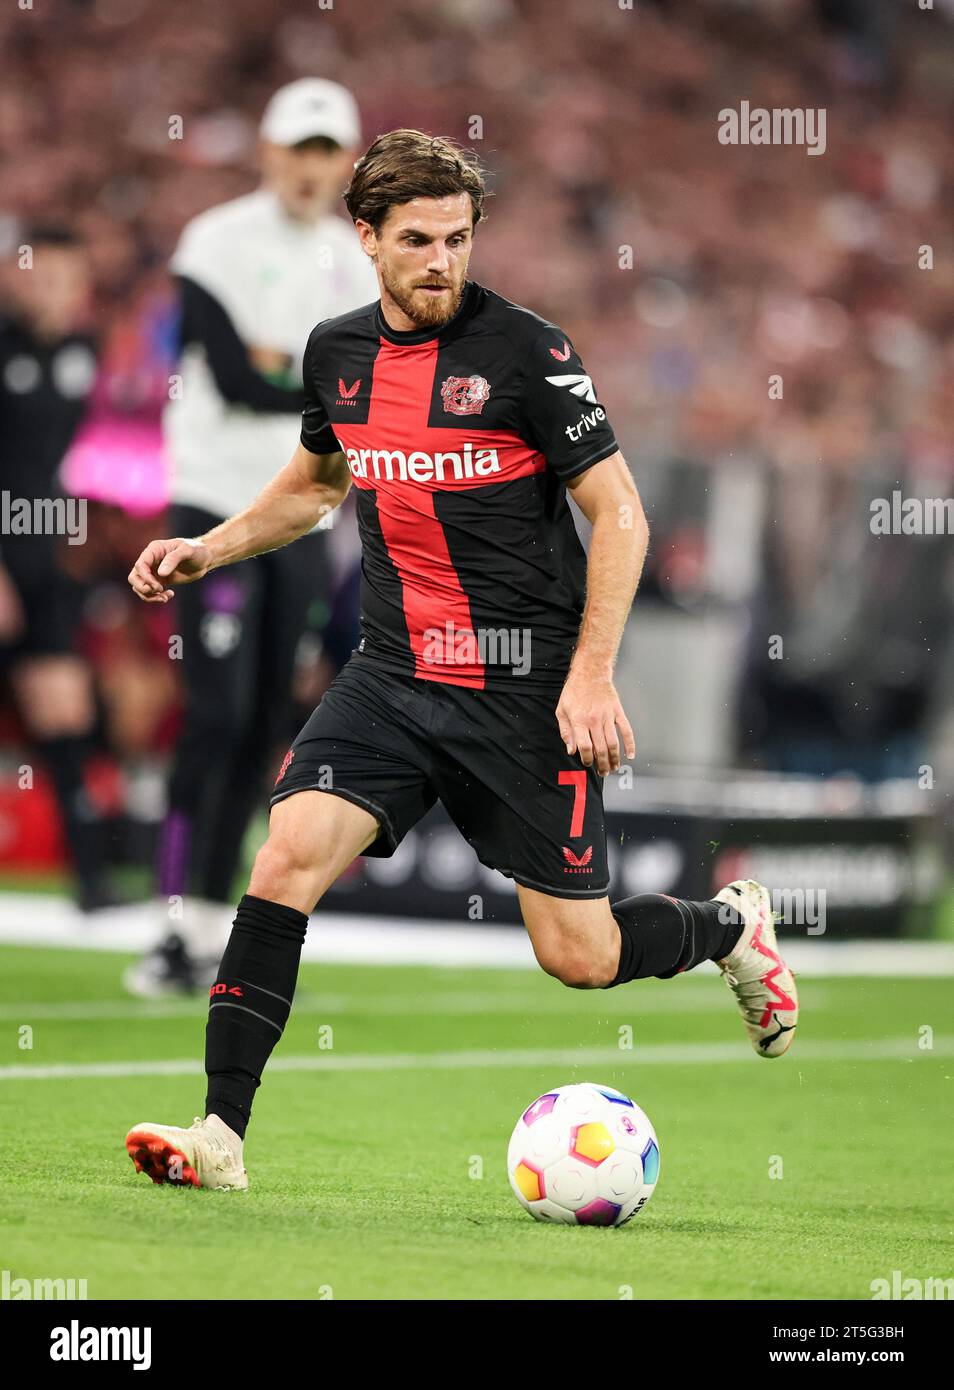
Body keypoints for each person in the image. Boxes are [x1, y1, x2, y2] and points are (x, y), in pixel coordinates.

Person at [123, 130, 799, 1191]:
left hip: (527, 686)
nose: (442, 259)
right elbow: (314, 486)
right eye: (417, 240)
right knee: (286, 855)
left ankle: (727, 929)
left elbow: (618, 512)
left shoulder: (529, 352)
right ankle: (221, 1134)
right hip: (392, 675)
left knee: (578, 956)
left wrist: (590, 671)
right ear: (367, 240)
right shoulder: (338, 353)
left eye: (458, 238)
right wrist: (208, 545)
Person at [125, 79, 378, 995]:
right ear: (271, 153)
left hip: (305, 512)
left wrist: (296, 372)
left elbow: (353, 385)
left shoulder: (357, 265)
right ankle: (171, 924)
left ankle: (205, 922)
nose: (312, 168)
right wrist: (319, 382)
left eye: (327, 151)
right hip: (213, 504)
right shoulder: (218, 240)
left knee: (272, 716)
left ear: (343, 162)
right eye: (299, 148)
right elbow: (233, 377)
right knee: (218, 711)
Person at [0, 226, 112, 912]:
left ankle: (92, 881)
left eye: (67, 279)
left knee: (64, 708)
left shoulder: (83, 352)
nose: (53, 290)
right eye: (40, 275)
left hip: (42, 558)